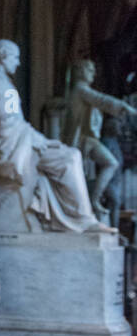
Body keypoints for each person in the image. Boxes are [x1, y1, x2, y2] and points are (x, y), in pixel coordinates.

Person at [0, 39, 112, 232]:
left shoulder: (2, 81)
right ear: (2, 56)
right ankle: (82, 220)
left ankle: (78, 218)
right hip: (7, 148)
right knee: (69, 158)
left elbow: (12, 120)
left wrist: (37, 138)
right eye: (15, 57)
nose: (18, 63)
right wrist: (35, 139)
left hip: (19, 141)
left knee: (70, 154)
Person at [62, 58, 137, 222]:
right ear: (80, 72)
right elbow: (101, 99)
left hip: (89, 139)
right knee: (108, 164)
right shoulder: (80, 89)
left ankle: (93, 198)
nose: (93, 74)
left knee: (110, 163)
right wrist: (125, 107)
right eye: (89, 70)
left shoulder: (83, 90)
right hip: (80, 140)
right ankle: (92, 198)